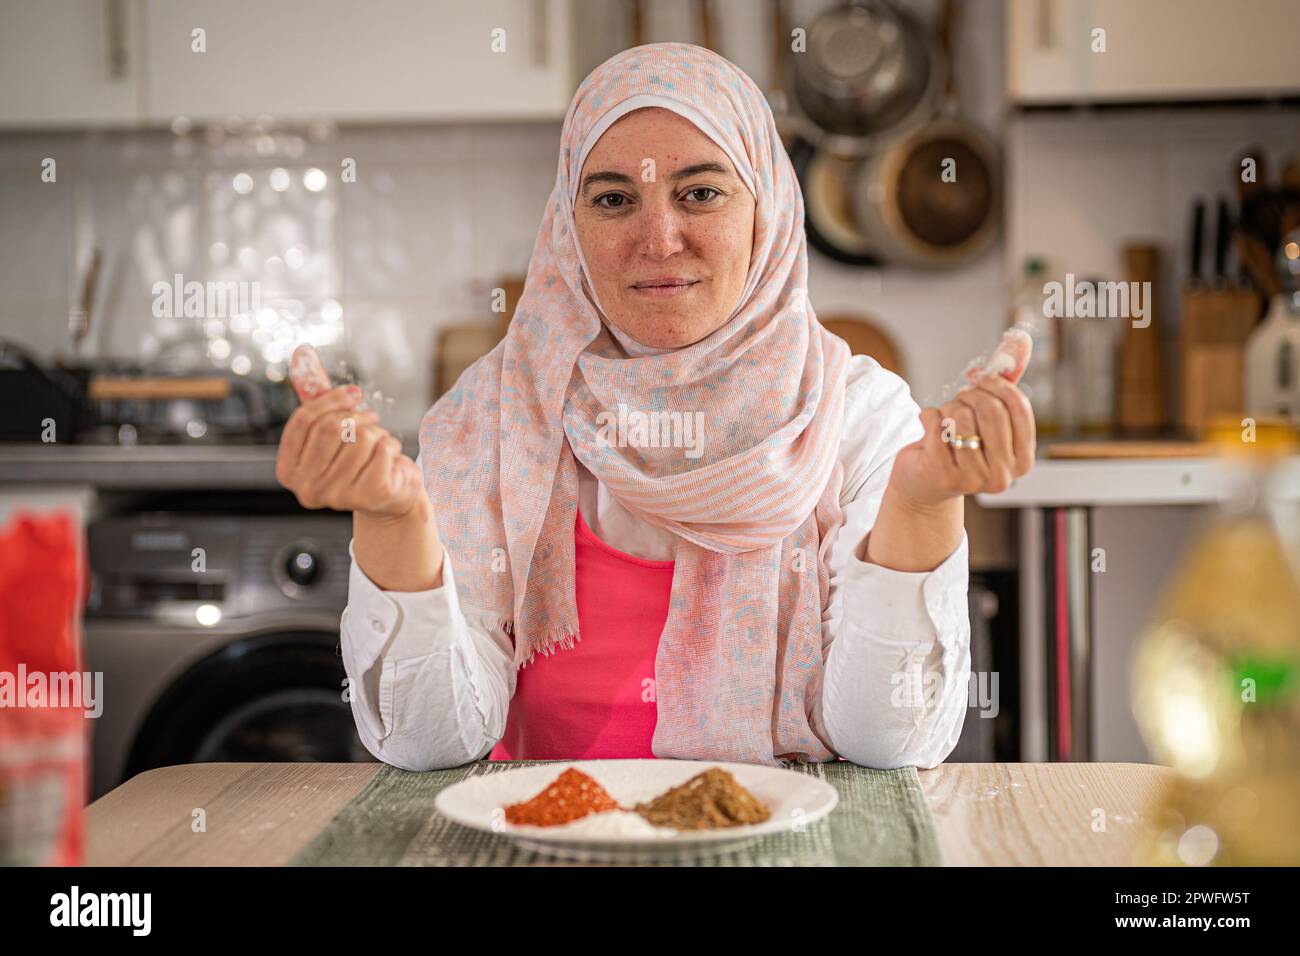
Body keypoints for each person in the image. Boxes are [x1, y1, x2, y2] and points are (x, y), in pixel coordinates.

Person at [275, 43, 1035, 770]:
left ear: (764, 209)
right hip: (548, 837)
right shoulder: (491, 416)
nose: (659, 240)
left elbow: (889, 744)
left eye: (700, 192)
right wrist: (392, 521)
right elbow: (426, 744)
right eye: (614, 199)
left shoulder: (859, 415)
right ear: (570, 227)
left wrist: (924, 506)